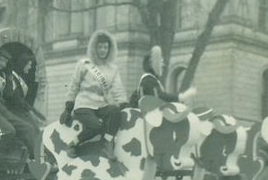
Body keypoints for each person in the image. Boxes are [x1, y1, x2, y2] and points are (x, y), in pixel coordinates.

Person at [60, 30, 128, 160]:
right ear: (94, 48)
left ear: (110, 49)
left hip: (101, 104)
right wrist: (68, 107)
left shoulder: (113, 69)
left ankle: (107, 144)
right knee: (96, 126)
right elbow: (74, 86)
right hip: (84, 104)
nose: (103, 50)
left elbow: (118, 89)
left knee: (114, 111)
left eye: (106, 47)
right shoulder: (84, 65)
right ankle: (73, 143)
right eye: (100, 47)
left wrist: (124, 104)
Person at [0, 49, 39, 158]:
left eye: (5, 62)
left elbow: (8, 94)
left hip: (0, 105)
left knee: (28, 128)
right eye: (1, 61)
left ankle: (36, 158)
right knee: (8, 130)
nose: (3, 64)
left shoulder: (3, 74)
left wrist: (8, 77)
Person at [128, 45, 196, 107]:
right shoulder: (149, 80)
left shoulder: (149, 80)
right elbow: (160, 97)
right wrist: (181, 97)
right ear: (152, 64)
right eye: (160, 61)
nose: (163, 65)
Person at [3, 53, 42, 159]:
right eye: (28, 65)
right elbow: (14, 99)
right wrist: (28, 109)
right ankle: (36, 157)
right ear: (22, 64)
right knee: (29, 128)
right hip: (12, 111)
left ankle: (38, 155)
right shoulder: (12, 78)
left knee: (36, 127)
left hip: (19, 110)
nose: (29, 67)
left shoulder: (19, 78)